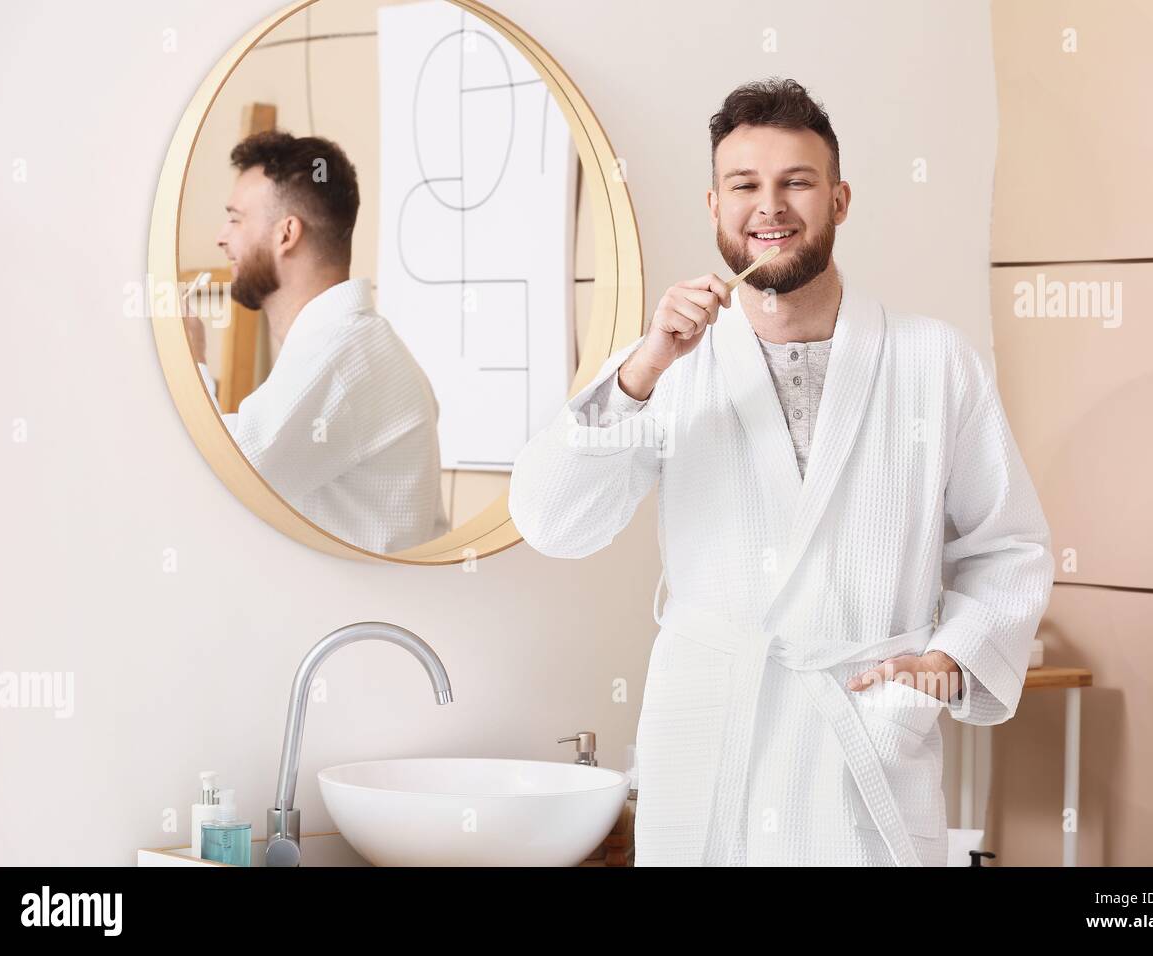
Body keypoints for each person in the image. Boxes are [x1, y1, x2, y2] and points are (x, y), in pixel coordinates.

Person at [508, 77, 1054, 866]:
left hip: (862, 737)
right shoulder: (669, 368)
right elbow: (550, 521)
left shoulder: (933, 361)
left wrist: (943, 664)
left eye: (796, 181)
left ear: (839, 200)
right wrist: (643, 368)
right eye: (745, 185)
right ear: (714, 207)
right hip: (709, 738)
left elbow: (1010, 547)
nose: (770, 206)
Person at [184, 130, 447, 553]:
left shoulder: (343, 354)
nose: (221, 237)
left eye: (235, 219)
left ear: (286, 234)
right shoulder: (355, 345)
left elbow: (223, 478)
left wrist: (189, 360)